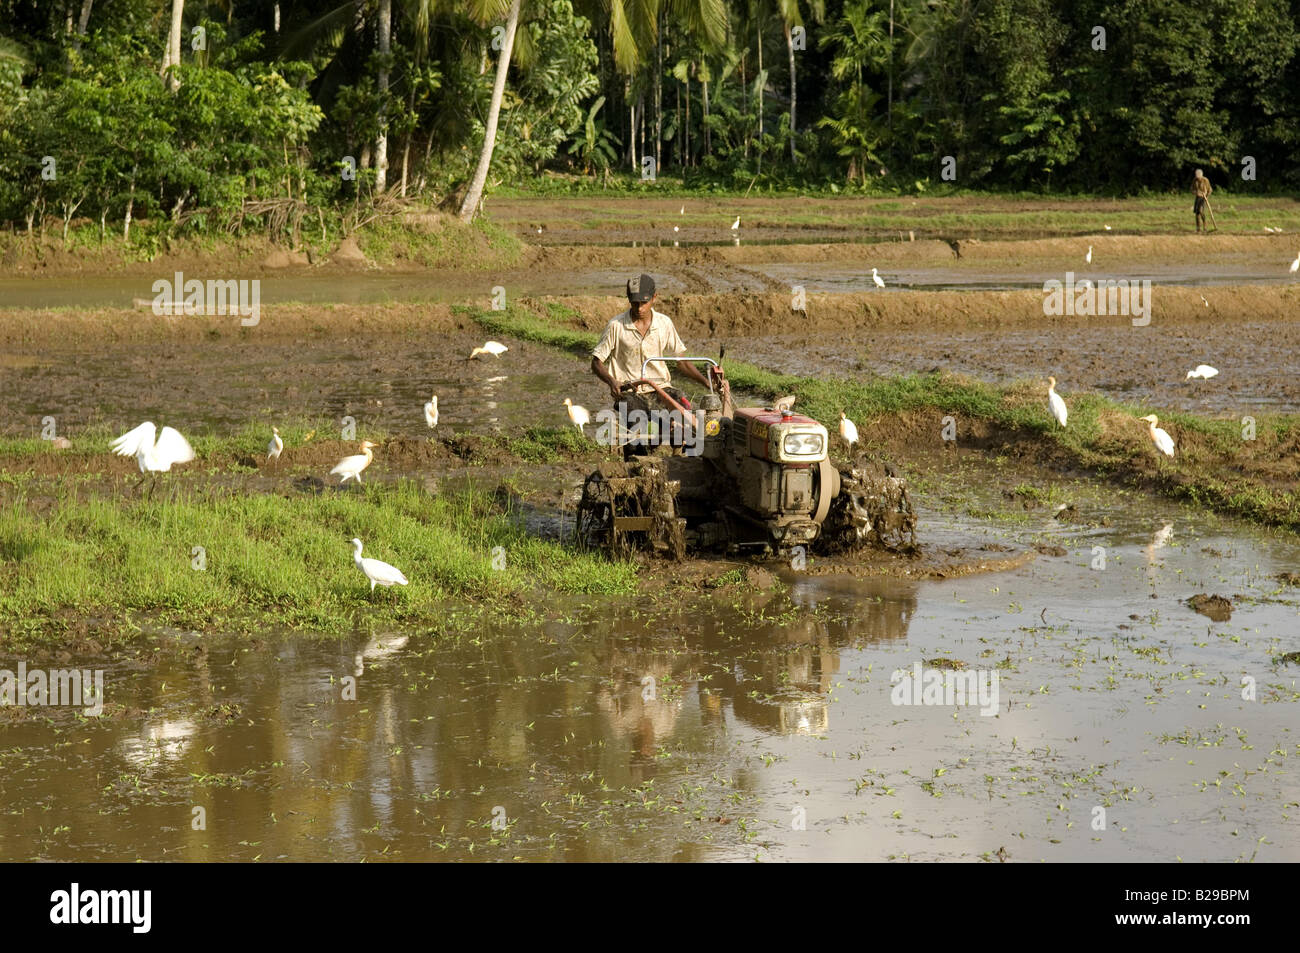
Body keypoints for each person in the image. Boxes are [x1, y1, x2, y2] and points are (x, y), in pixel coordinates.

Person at [590, 273, 730, 459]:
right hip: (631, 390)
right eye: (634, 303)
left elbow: (682, 362)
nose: (639, 308)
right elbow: (596, 362)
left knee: (684, 411)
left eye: (644, 303)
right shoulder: (616, 326)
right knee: (635, 419)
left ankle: (684, 458)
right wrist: (612, 381)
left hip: (661, 388)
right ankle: (636, 463)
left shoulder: (664, 324)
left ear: (654, 298)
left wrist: (707, 383)